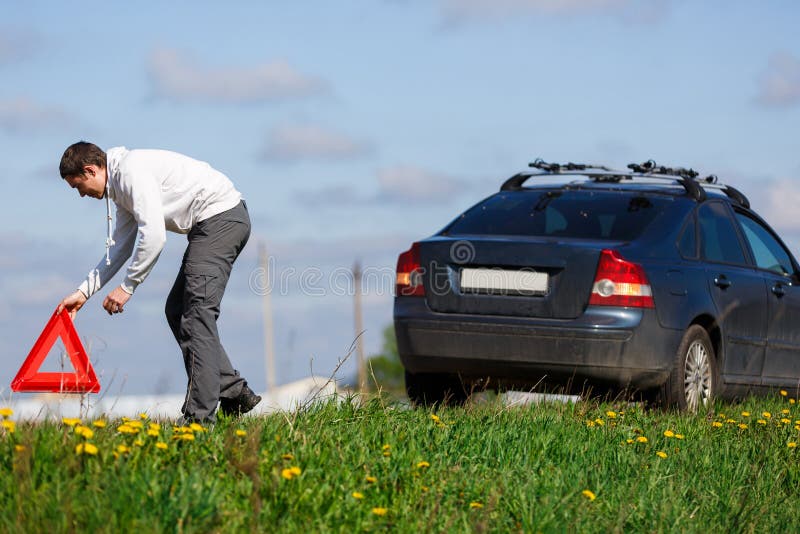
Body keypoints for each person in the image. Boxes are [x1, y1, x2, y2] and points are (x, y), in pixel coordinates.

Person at [56, 141, 261, 422]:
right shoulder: (121, 188)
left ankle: (198, 419)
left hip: (220, 219)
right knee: (177, 310)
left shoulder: (130, 173)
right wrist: (83, 292)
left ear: (91, 170)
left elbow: (153, 236)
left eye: (78, 186)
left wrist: (128, 287)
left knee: (197, 314)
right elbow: (119, 248)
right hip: (213, 224)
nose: (80, 195)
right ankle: (233, 392)